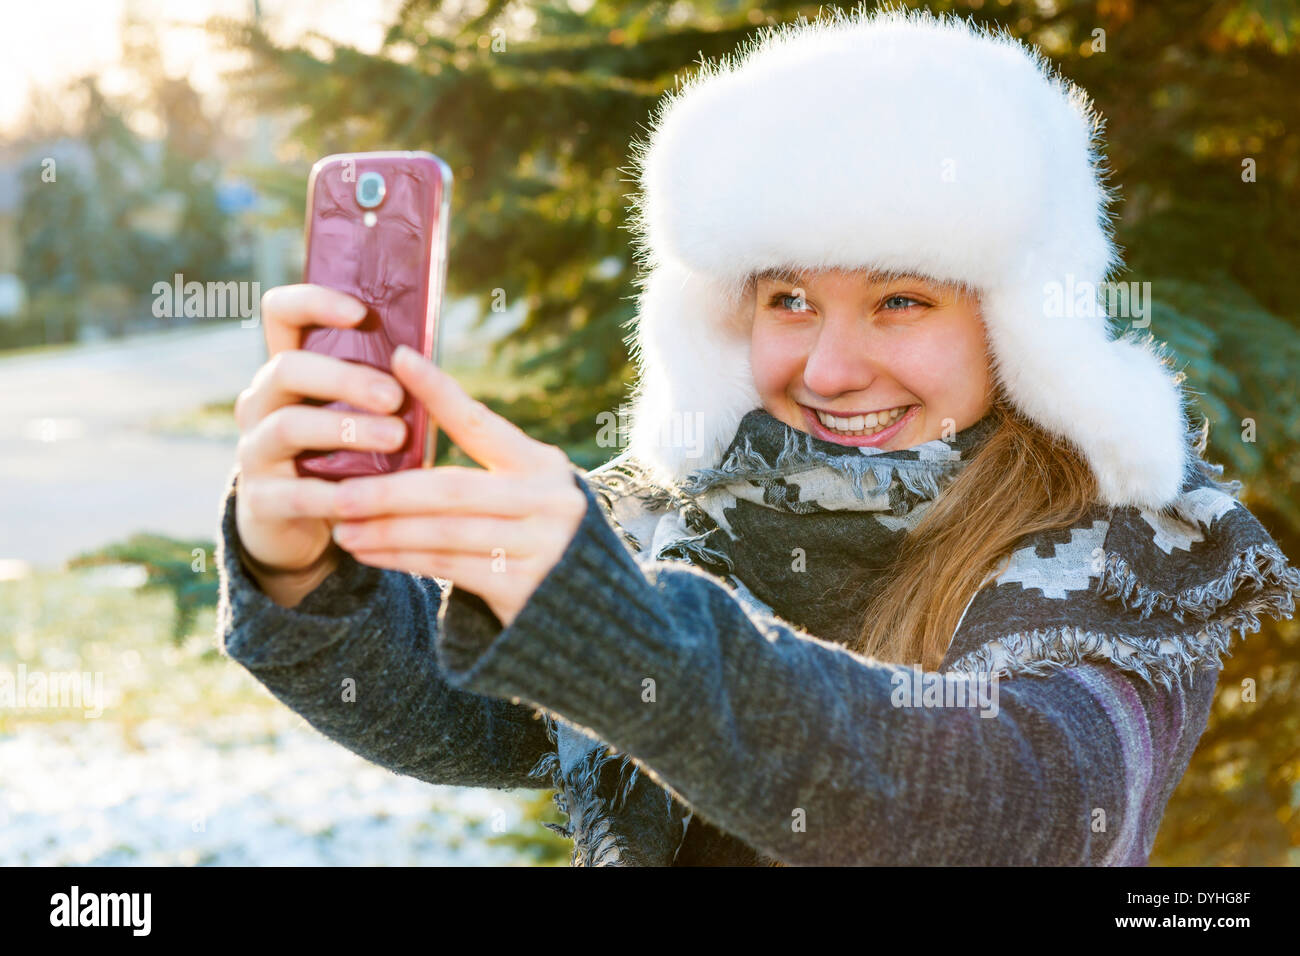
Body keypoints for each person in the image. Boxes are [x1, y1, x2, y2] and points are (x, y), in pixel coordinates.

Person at [214, 6, 1300, 866]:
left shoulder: (1122, 555)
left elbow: (1012, 811)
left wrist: (616, 627)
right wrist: (299, 561)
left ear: (1018, 322)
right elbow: (463, 711)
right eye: (787, 298)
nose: (826, 369)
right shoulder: (703, 515)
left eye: (900, 301)